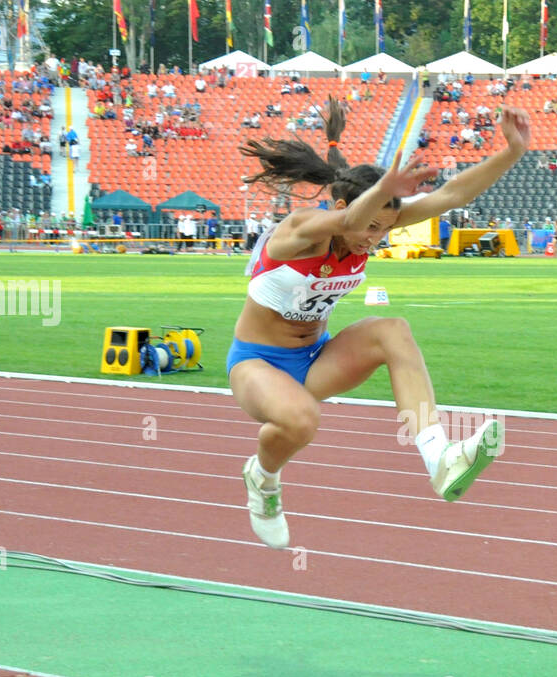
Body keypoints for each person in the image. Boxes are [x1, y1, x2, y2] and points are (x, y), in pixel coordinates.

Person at [228, 98, 532, 549]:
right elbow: (351, 218)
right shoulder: (299, 231)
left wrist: (511, 153)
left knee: (393, 330)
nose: (373, 239)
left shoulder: (372, 222)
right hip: (257, 364)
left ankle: (440, 460)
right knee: (301, 422)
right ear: (340, 206)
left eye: (384, 230)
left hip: (315, 358)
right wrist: (379, 194)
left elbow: (451, 196)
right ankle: (263, 479)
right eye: (370, 227)